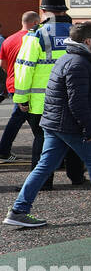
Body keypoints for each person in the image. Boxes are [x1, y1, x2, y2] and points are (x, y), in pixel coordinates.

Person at [4, 22, 91, 228]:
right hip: (70, 125)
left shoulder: (68, 58)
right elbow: (77, 102)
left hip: (55, 122)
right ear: (87, 41)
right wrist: (88, 128)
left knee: (44, 166)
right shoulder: (79, 63)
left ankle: (19, 210)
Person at [14, 0, 88, 188]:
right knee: (73, 137)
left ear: (44, 9)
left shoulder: (36, 34)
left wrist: (21, 97)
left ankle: (43, 182)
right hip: (73, 96)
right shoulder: (78, 33)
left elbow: (25, 68)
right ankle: (77, 177)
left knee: (42, 138)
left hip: (43, 101)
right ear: (64, 10)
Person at [0, 11, 39, 163]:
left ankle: (4, 149)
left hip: (13, 84)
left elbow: (3, 65)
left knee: (20, 118)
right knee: (30, 121)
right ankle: (3, 150)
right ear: (35, 23)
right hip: (30, 85)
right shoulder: (35, 38)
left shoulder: (8, 40)